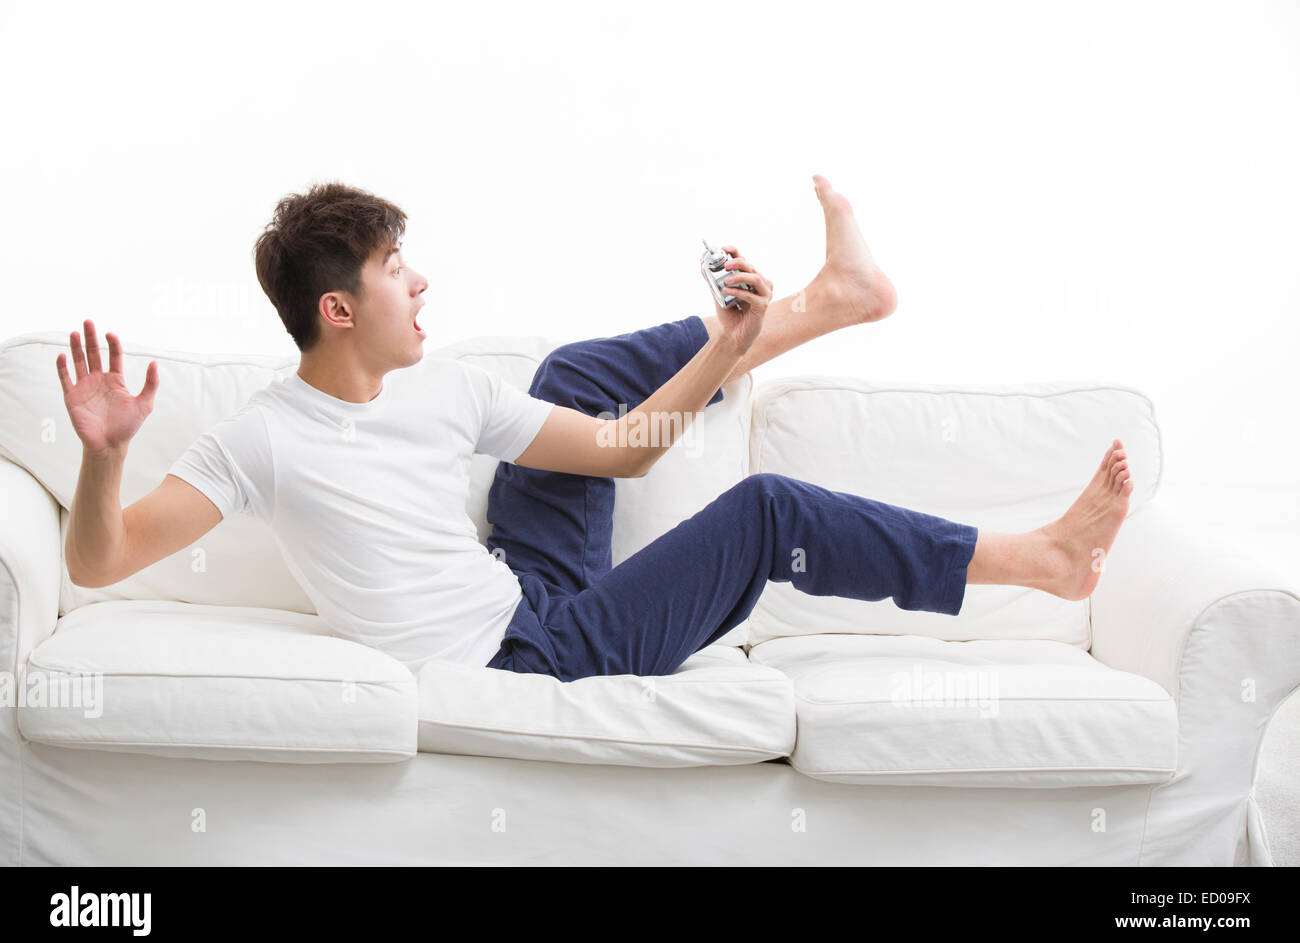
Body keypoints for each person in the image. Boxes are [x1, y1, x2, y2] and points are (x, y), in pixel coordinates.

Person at [56, 176, 1134, 682]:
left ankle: (825, 302)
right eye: (395, 269)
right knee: (766, 511)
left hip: (526, 585)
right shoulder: (261, 440)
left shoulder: (447, 392)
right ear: (337, 311)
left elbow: (619, 450)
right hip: (531, 655)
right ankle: (1037, 560)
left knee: (572, 377)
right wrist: (106, 458)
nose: (420, 280)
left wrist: (725, 342)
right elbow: (101, 561)